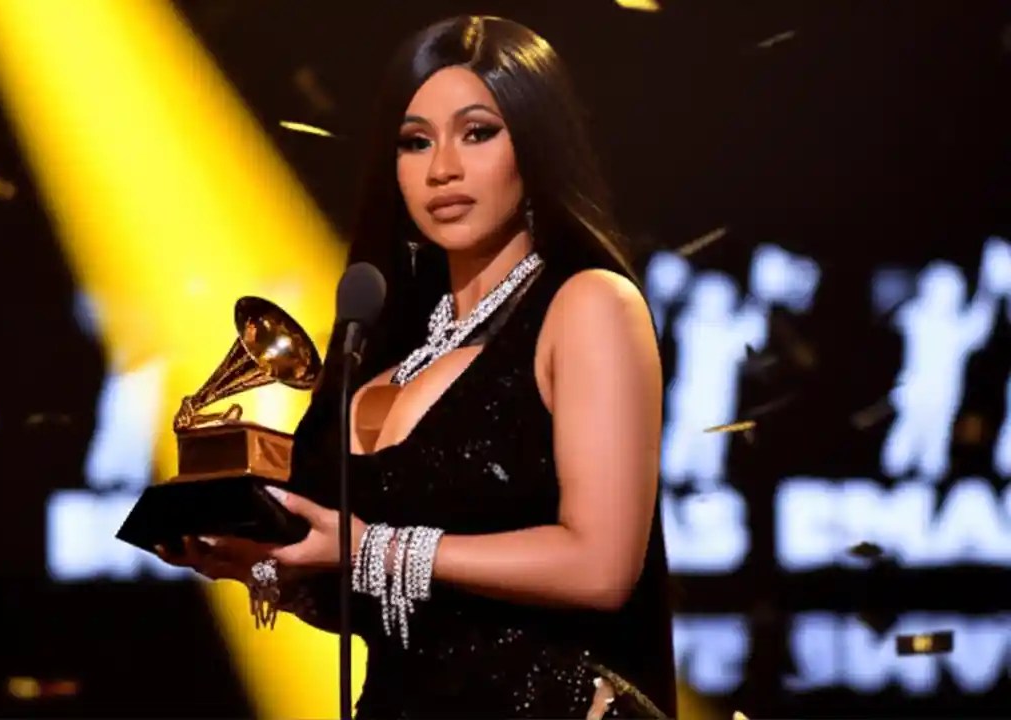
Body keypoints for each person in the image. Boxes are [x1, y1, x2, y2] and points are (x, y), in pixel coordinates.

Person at [158, 15, 675, 718]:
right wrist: (264, 565)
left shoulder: (587, 305)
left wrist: (371, 545)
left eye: (478, 132)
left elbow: (600, 567)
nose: (443, 169)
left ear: (535, 144)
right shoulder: (380, 349)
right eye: (415, 142)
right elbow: (389, 618)